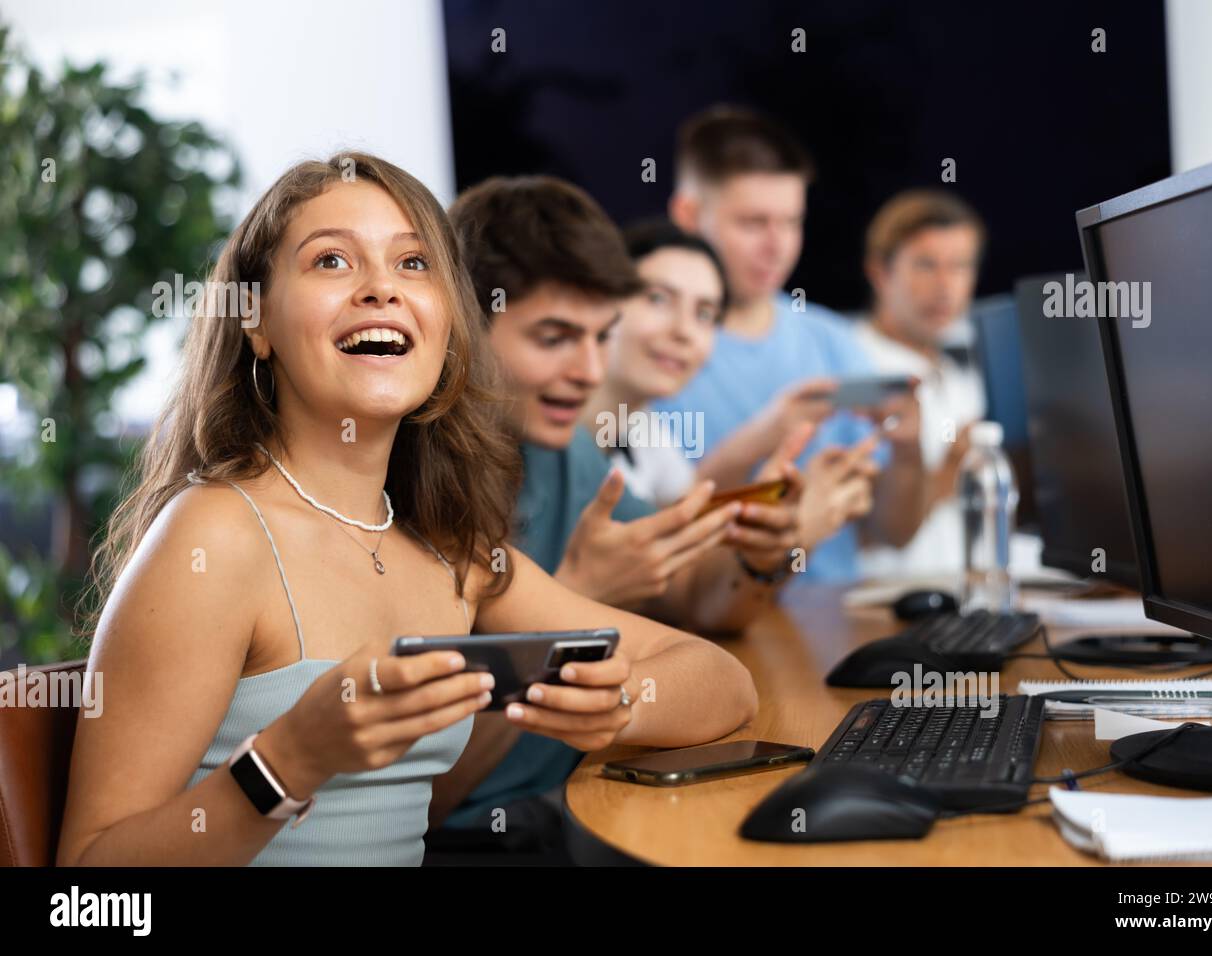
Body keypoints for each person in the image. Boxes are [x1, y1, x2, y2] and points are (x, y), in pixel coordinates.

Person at [56, 153, 757, 866]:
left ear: (449, 325)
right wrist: (290, 759)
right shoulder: (212, 536)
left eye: (414, 264)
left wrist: (622, 701)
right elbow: (87, 892)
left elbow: (725, 684)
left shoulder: (447, 550)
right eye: (331, 260)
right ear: (256, 322)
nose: (381, 288)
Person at [430, 177, 798, 850]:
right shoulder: (406, 496)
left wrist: (760, 554)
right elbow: (417, 807)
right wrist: (578, 604)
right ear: (462, 327)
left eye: (603, 336)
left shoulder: (568, 453)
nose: (590, 369)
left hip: (577, 808)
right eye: (555, 338)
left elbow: (710, 641)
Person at [656, 105, 926, 584]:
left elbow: (894, 533)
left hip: (834, 613)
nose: (777, 246)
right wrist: (766, 435)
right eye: (753, 223)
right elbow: (657, 531)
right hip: (707, 614)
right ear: (688, 215)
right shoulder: (654, 351)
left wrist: (908, 452)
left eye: (791, 222)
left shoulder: (832, 341)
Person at [584, 218, 881, 557]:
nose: (683, 331)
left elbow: (681, 523)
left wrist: (795, 504)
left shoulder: (644, 429)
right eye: (658, 299)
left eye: (704, 314)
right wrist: (798, 526)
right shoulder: (554, 436)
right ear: (602, 300)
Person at [854, 189, 988, 577]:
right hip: (887, 592)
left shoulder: (962, 372)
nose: (945, 286)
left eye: (960, 266)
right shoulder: (857, 370)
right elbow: (865, 528)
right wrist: (950, 473)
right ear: (880, 273)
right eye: (926, 265)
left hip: (964, 588)